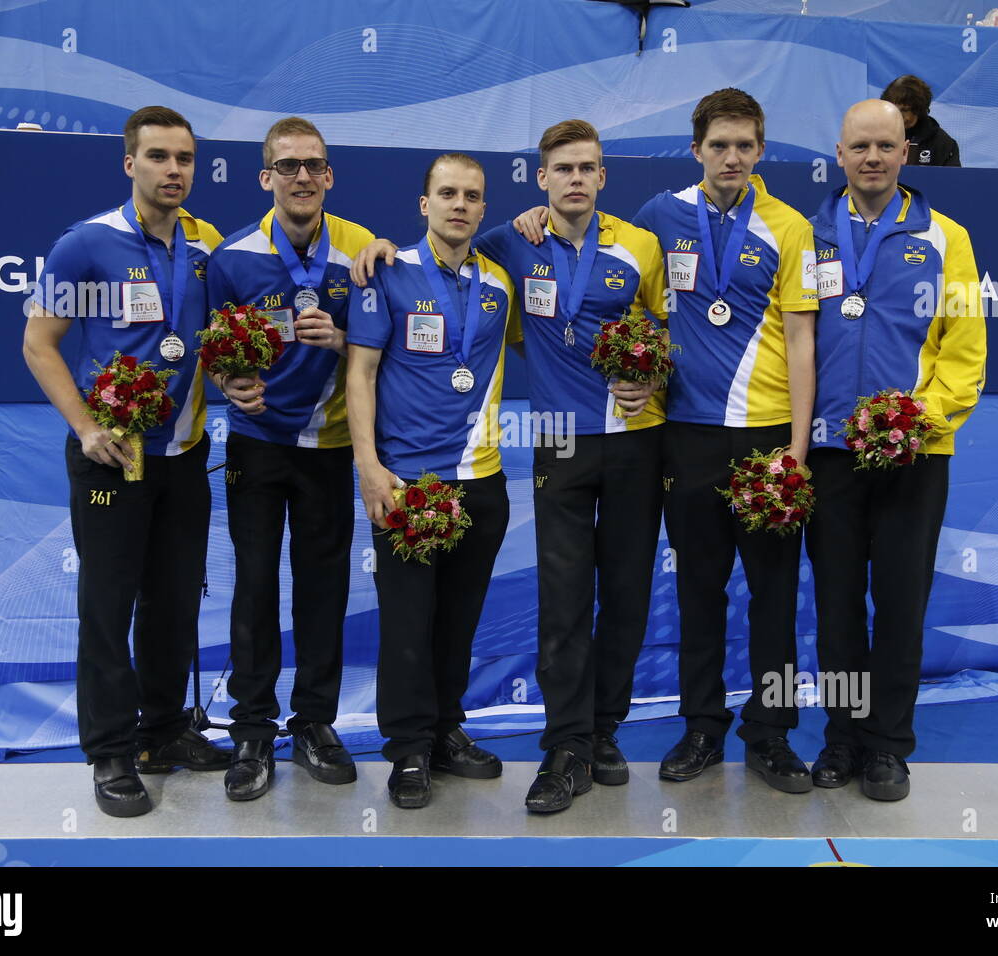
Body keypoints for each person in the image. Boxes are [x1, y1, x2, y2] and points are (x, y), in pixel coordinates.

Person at [354, 122, 668, 812]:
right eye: (563, 168)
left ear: (603, 177)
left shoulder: (639, 246)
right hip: (558, 443)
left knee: (626, 597)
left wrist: (655, 378)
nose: (576, 178)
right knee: (560, 604)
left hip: (637, 440)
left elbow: (663, 331)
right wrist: (374, 247)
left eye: (588, 167)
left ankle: (601, 732)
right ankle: (561, 743)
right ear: (542, 179)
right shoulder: (509, 246)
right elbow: (412, 274)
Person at [22, 106, 229, 817]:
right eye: (160, 157)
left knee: (174, 603)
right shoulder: (86, 245)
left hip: (182, 457)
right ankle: (110, 751)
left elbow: (213, 343)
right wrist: (84, 427)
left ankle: (163, 731)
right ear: (129, 164)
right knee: (107, 609)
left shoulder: (206, 249)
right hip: (112, 458)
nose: (174, 171)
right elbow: (39, 343)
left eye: (184, 159)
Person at [631, 89, 819, 792]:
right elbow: (620, 284)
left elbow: (803, 339)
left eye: (745, 146)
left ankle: (770, 734)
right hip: (686, 438)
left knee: (773, 594)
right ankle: (702, 726)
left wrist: (797, 449)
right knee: (698, 592)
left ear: (762, 150)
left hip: (768, 438)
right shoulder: (659, 217)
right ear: (696, 151)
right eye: (719, 146)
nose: (732, 158)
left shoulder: (789, 226)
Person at [806, 99, 985, 801]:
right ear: (840, 153)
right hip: (829, 454)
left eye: (886, 145)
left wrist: (916, 418)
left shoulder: (949, 238)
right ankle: (843, 737)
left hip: (914, 454)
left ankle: (888, 746)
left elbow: (965, 352)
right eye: (860, 147)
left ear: (906, 152)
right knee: (837, 605)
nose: (873, 158)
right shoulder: (807, 235)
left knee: (901, 604)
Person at [204, 118, 374, 801]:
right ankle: (251, 728)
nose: (302, 176)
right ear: (265, 177)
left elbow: (382, 348)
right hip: (259, 445)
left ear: (329, 176)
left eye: (314, 165)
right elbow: (215, 350)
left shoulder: (363, 248)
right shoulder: (233, 258)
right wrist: (227, 381)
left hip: (330, 448)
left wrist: (340, 338)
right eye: (288, 166)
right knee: (253, 588)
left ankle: (313, 724)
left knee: (323, 591)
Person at [345, 153, 521, 809]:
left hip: (482, 481)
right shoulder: (386, 273)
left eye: (472, 196)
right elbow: (359, 373)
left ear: (483, 207)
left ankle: (447, 733)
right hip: (410, 483)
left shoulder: (500, 282)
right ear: (424, 203)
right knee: (408, 626)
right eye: (447, 193)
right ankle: (409, 752)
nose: (459, 205)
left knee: (457, 624)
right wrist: (369, 466)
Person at [881, 75, 961, 168]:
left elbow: (952, 180)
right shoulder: (876, 136)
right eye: (893, 109)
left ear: (919, 110)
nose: (898, 116)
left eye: (905, 110)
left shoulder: (942, 143)